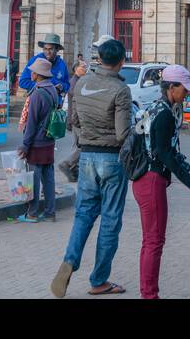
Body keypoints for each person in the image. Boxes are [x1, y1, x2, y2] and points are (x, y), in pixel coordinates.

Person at [51, 36, 132, 298]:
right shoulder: (121, 90)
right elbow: (122, 134)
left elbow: (73, 121)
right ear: (121, 61)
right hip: (111, 159)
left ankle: (69, 261)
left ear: (99, 59)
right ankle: (99, 279)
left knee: (84, 214)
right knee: (110, 220)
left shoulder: (82, 82)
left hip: (86, 156)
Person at [128, 64, 190, 299]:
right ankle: (149, 294)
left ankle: (148, 292)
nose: (187, 94)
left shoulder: (157, 109)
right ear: (171, 87)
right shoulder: (163, 114)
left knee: (150, 240)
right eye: (184, 89)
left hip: (145, 180)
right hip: (151, 179)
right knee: (154, 241)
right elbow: (165, 154)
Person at [17, 57, 60, 223]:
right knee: (48, 178)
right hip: (49, 140)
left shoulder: (37, 94)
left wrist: (25, 145)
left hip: (37, 142)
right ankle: (50, 212)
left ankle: (32, 212)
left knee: (33, 179)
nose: (31, 74)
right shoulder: (53, 90)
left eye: (32, 72)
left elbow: (32, 123)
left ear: (38, 74)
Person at [57, 44, 94, 183]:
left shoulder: (81, 81)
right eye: (82, 67)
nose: (85, 69)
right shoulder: (74, 82)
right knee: (82, 146)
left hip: (78, 118)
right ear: (75, 69)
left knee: (77, 145)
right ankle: (67, 164)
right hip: (77, 118)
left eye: (85, 66)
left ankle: (73, 169)